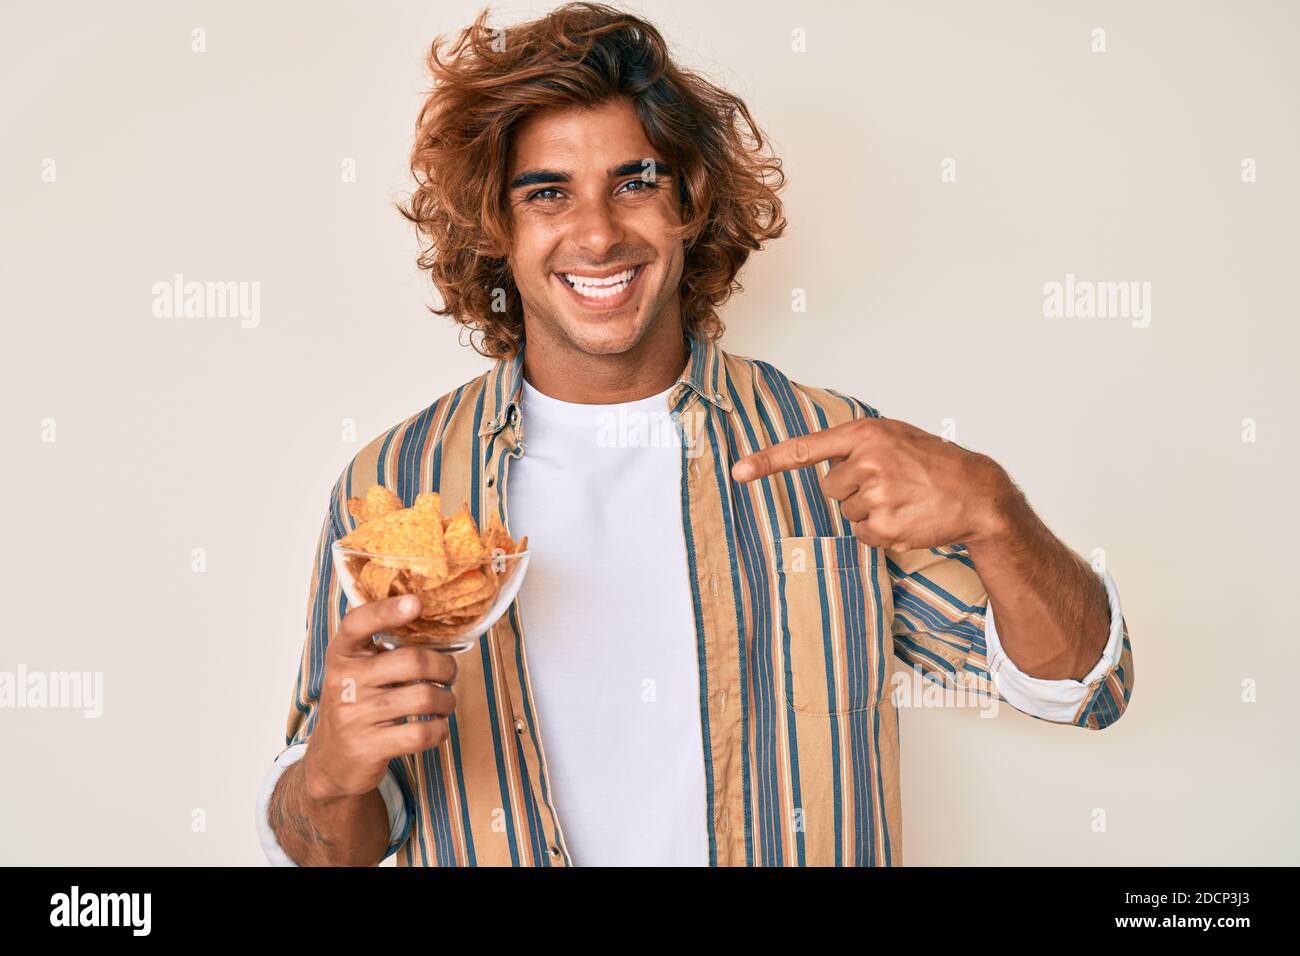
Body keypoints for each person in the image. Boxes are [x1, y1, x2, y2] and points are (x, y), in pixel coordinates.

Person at [256, 2, 1133, 867]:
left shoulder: (832, 447)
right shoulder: (399, 481)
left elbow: (1080, 690)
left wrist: (995, 513)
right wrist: (331, 777)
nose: (598, 234)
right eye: (548, 193)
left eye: (636, 183)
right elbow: (328, 851)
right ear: (499, 228)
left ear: (691, 204)